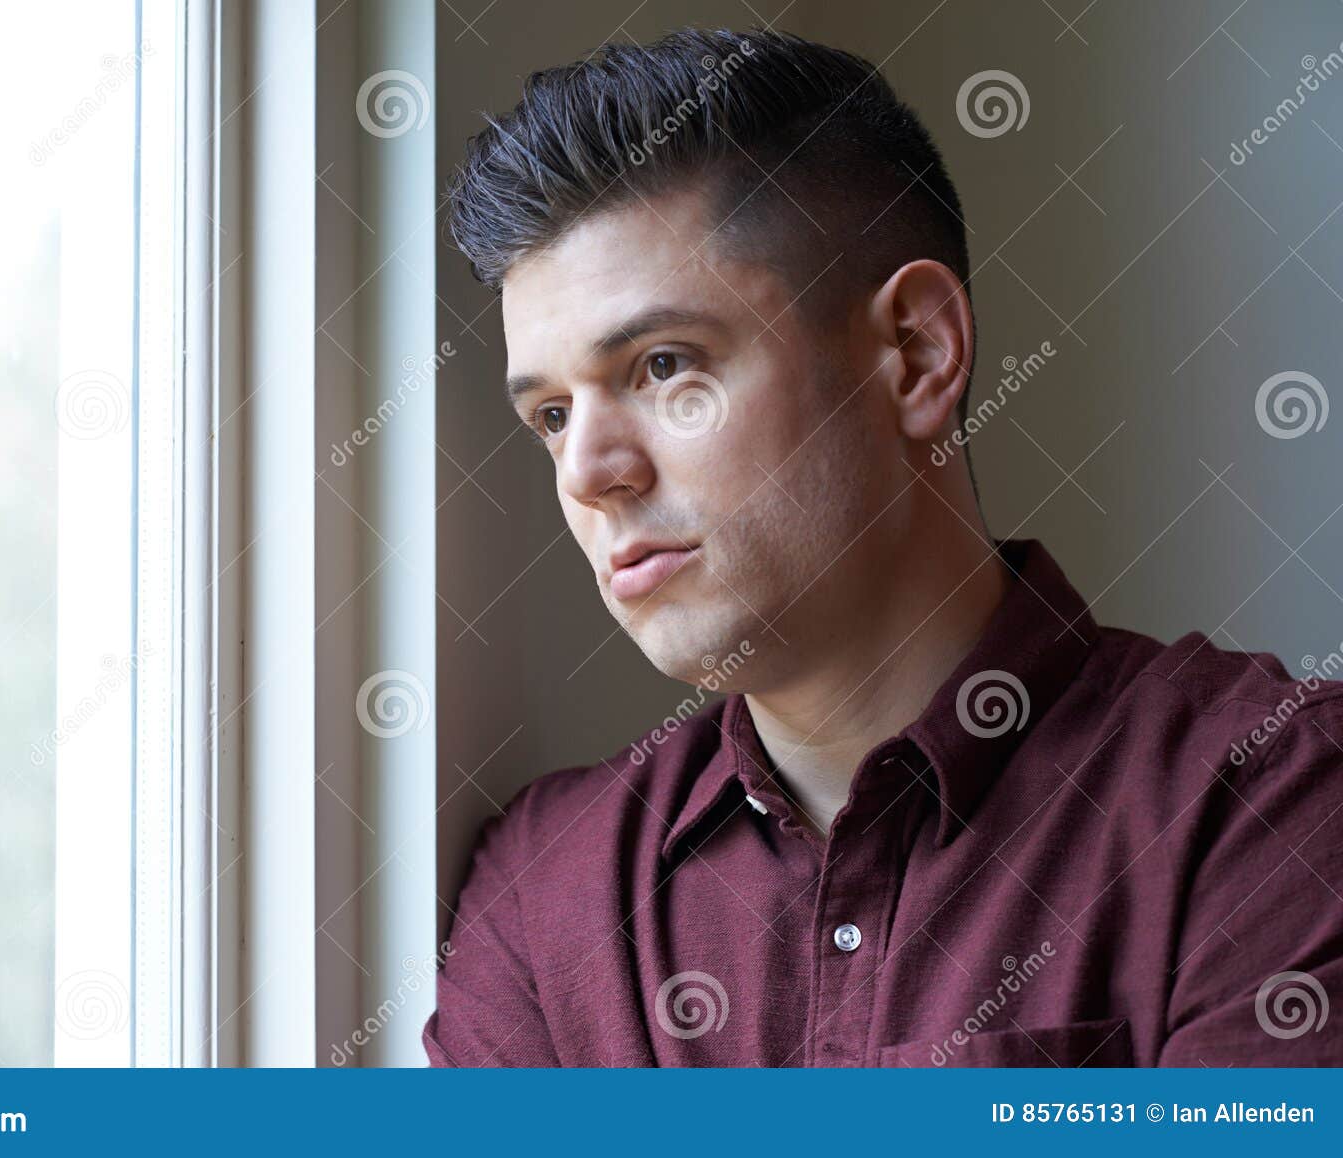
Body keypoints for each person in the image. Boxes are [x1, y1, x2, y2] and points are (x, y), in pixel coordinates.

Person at [423, 27, 1343, 1067]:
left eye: (662, 366)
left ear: (914, 355)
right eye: (549, 415)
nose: (587, 473)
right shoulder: (546, 899)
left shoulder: (1271, 803)